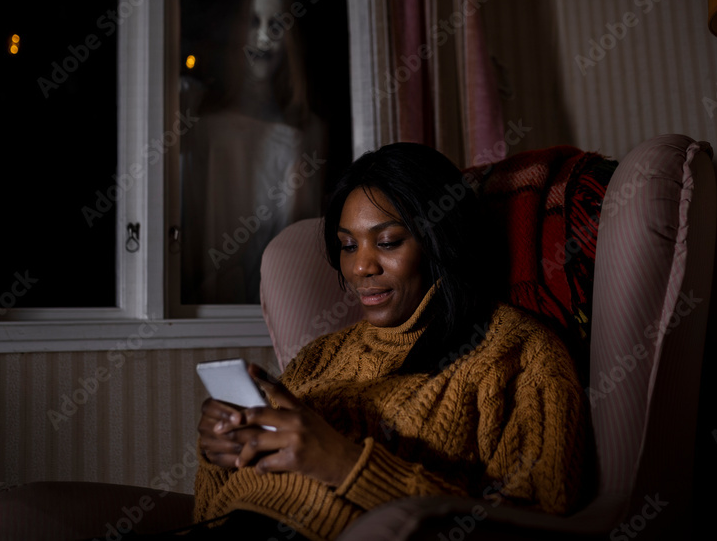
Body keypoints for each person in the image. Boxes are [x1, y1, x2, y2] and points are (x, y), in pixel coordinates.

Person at [191, 142, 593, 540]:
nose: (361, 266)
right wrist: (222, 452)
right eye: (348, 246)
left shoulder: (521, 355)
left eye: (387, 242)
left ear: (440, 240)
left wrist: (344, 464)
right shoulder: (319, 357)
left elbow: (535, 524)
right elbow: (209, 511)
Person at [180, 0, 326, 304]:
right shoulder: (205, 126)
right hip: (212, 308)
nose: (263, 38)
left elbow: (303, 238)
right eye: (253, 23)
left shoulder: (304, 132)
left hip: (280, 301)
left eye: (275, 26)